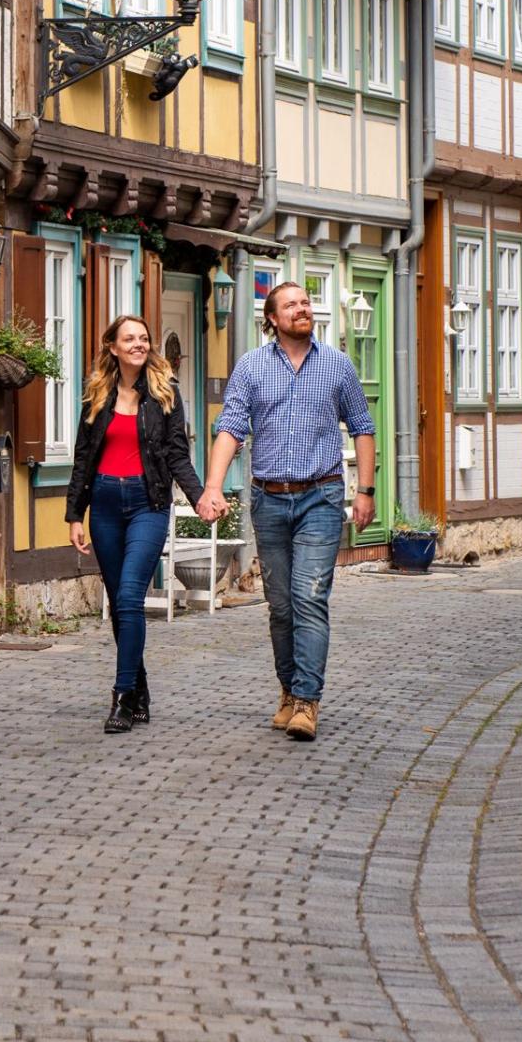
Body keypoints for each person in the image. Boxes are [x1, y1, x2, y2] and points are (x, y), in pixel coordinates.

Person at [201, 281, 375, 742]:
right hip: (269, 499)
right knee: (279, 605)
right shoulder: (251, 366)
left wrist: (366, 491)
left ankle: (307, 701)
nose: (302, 309)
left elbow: (362, 427)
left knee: (309, 597)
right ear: (273, 319)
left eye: (306, 303)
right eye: (292, 305)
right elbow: (230, 428)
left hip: (321, 496)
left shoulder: (337, 365)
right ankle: (288, 690)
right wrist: (213, 486)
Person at [66, 315, 227, 734]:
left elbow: (177, 455)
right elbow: (83, 457)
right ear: (113, 347)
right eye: (129, 339)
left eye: (143, 338)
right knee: (119, 601)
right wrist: (74, 514)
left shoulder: (164, 393)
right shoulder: (97, 395)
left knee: (129, 597)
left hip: (147, 503)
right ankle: (139, 688)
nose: (138, 344)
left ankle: (121, 697)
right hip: (103, 505)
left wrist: (200, 496)